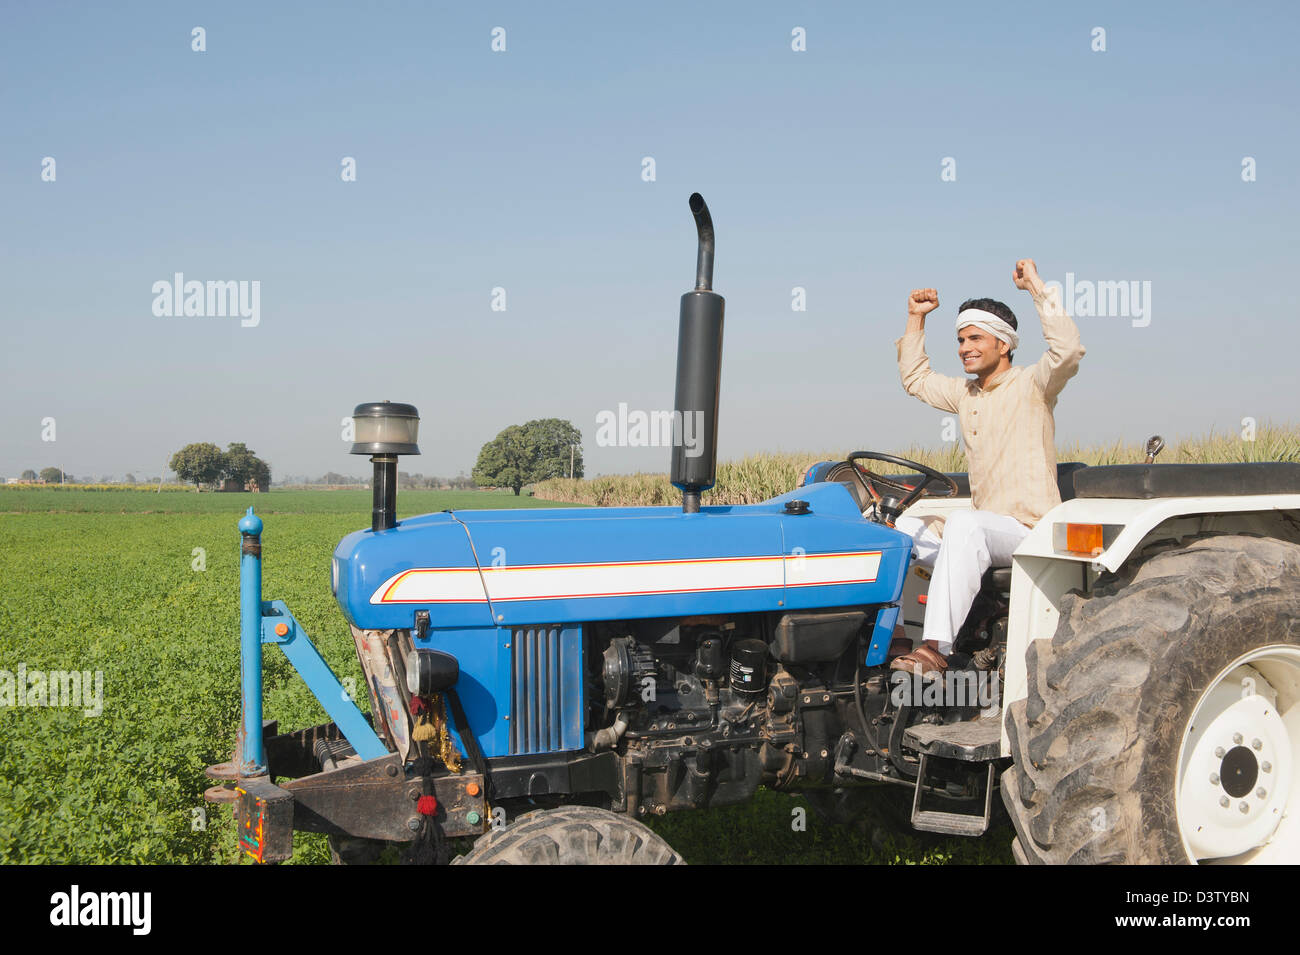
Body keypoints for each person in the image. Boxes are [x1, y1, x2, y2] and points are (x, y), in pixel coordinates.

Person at [889, 259, 1086, 677]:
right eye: (960, 340)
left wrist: (1036, 287)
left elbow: (1067, 352)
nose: (964, 348)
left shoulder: (1034, 385)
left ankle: (935, 649)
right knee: (901, 528)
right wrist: (915, 319)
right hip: (985, 530)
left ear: (1004, 344)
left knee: (966, 525)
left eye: (975, 338)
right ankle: (897, 637)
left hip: (1028, 530)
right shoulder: (966, 395)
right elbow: (917, 379)